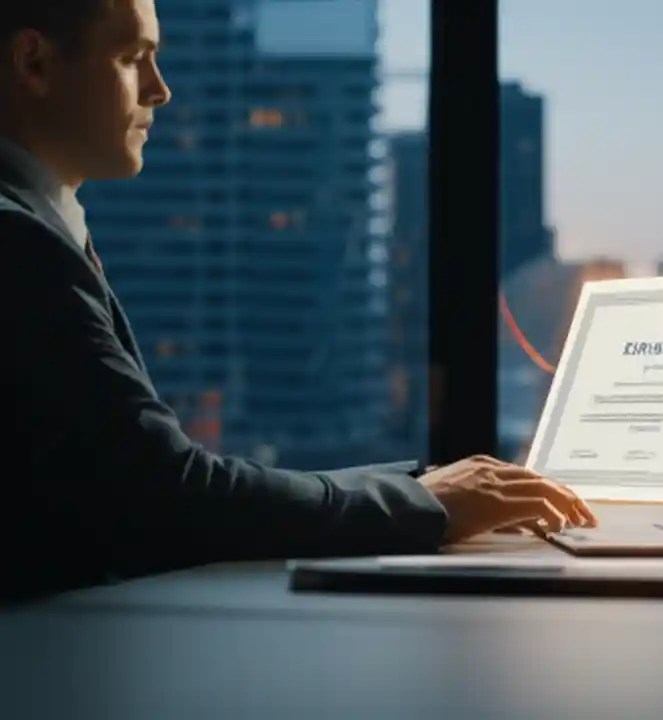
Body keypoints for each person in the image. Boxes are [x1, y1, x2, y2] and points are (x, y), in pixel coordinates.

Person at [0, 0, 596, 602]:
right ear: (35, 62)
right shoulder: (20, 246)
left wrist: (418, 485)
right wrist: (420, 502)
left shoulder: (39, 231)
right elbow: (164, 494)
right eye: (133, 59)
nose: (160, 91)